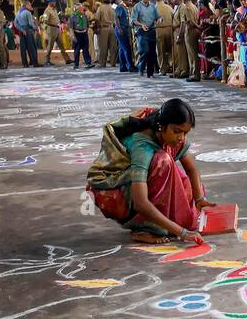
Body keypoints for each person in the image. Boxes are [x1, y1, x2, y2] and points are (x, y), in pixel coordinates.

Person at [85, 98, 214, 245]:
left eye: (185, 133)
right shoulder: (142, 146)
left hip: (139, 185)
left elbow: (191, 169)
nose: (181, 138)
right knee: (163, 162)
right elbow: (140, 202)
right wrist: (182, 232)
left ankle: (163, 221)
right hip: (116, 193)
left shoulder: (171, 136)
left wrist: (199, 199)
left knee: (184, 182)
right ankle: (144, 228)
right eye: (177, 131)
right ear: (161, 126)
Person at [131, 0, 159, 78]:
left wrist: (160, 19)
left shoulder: (153, 6)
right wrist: (141, 25)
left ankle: (150, 72)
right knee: (145, 51)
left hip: (152, 30)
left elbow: (158, 16)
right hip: (142, 31)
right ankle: (141, 67)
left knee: (152, 52)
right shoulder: (137, 7)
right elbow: (133, 20)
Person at [181, 0, 202, 81]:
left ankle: (195, 74)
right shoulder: (194, 6)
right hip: (195, 31)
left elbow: (190, 21)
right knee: (194, 53)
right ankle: (194, 73)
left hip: (190, 31)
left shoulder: (186, 7)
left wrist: (197, 26)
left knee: (192, 54)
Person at [155, 0, 175, 74]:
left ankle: (163, 70)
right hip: (169, 29)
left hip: (159, 30)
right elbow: (174, 16)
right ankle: (172, 67)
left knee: (161, 51)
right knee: (171, 50)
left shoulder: (153, 8)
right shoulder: (168, 7)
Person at [14, 1, 39, 67]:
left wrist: (22, 30)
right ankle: (34, 62)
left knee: (23, 48)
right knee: (32, 47)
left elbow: (15, 23)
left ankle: (25, 63)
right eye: (30, 5)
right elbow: (30, 24)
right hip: (28, 30)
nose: (31, 6)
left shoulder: (18, 13)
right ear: (26, 5)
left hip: (21, 31)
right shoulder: (28, 13)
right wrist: (35, 28)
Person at [41, 0, 65, 65]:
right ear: (50, 2)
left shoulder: (54, 9)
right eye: (53, 2)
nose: (55, 3)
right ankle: (47, 60)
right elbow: (45, 20)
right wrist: (46, 29)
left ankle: (67, 59)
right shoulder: (47, 10)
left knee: (61, 45)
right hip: (51, 28)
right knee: (50, 45)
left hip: (56, 28)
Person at [70, 1, 93, 69]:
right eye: (80, 9)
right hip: (77, 33)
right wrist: (72, 36)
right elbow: (71, 27)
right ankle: (76, 64)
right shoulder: (73, 17)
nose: (81, 10)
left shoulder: (84, 15)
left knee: (86, 49)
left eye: (82, 8)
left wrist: (85, 31)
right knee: (77, 49)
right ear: (77, 9)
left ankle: (88, 63)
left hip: (84, 33)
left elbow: (87, 25)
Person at [116, 0, 135, 72]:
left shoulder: (125, 8)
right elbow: (116, 18)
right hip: (122, 29)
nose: (130, 3)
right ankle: (130, 66)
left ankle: (123, 66)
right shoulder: (120, 7)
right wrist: (119, 28)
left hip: (125, 28)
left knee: (122, 48)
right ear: (124, 0)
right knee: (126, 48)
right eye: (129, 1)